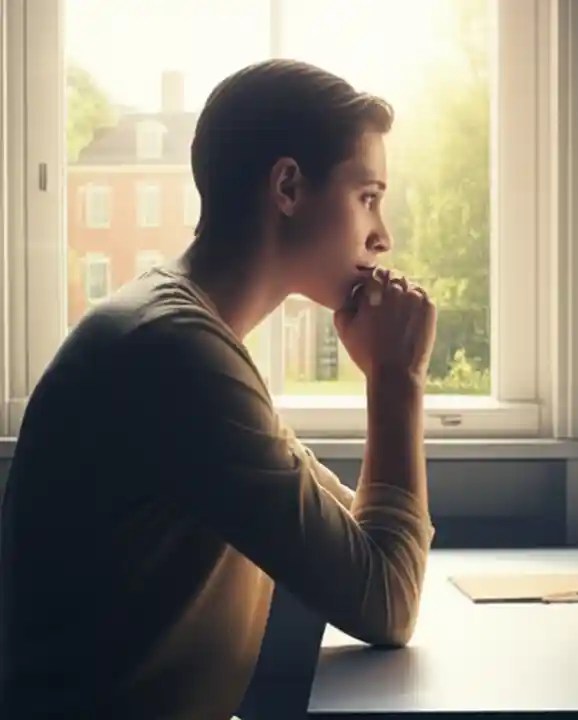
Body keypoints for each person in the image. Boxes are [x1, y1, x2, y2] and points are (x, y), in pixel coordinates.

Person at [0, 60, 438, 719]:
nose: (384, 236)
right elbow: (387, 600)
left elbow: (356, 536)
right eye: (367, 197)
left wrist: (393, 379)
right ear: (287, 186)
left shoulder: (185, 336)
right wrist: (396, 379)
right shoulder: (175, 356)